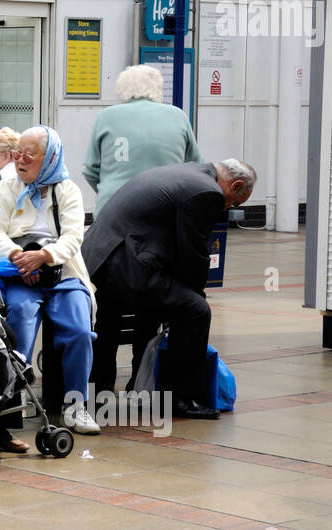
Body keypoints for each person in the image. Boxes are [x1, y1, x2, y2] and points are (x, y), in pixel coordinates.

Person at [82, 159, 256, 419]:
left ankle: (99, 392)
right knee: (195, 311)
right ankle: (181, 398)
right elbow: (194, 251)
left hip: (100, 259)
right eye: (234, 202)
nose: (228, 207)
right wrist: (196, 293)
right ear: (236, 184)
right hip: (127, 264)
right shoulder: (207, 192)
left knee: (112, 321)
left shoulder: (189, 170)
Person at [0, 126, 98, 437]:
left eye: (28, 155)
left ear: (50, 158)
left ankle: (76, 405)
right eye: (17, 153)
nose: (20, 160)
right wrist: (19, 256)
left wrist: (44, 256)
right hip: (19, 271)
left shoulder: (67, 190)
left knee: (79, 330)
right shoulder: (7, 186)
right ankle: (11, 401)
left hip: (63, 272)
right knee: (18, 321)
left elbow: (74, 237)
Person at [82, 64, 203, 218]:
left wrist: (109, 190)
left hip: (113, 208)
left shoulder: (106, 116)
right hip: (166, 208)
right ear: (158, 88)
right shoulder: (178, 116)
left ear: (121, 88)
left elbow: (90, 169)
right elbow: (196, 166)